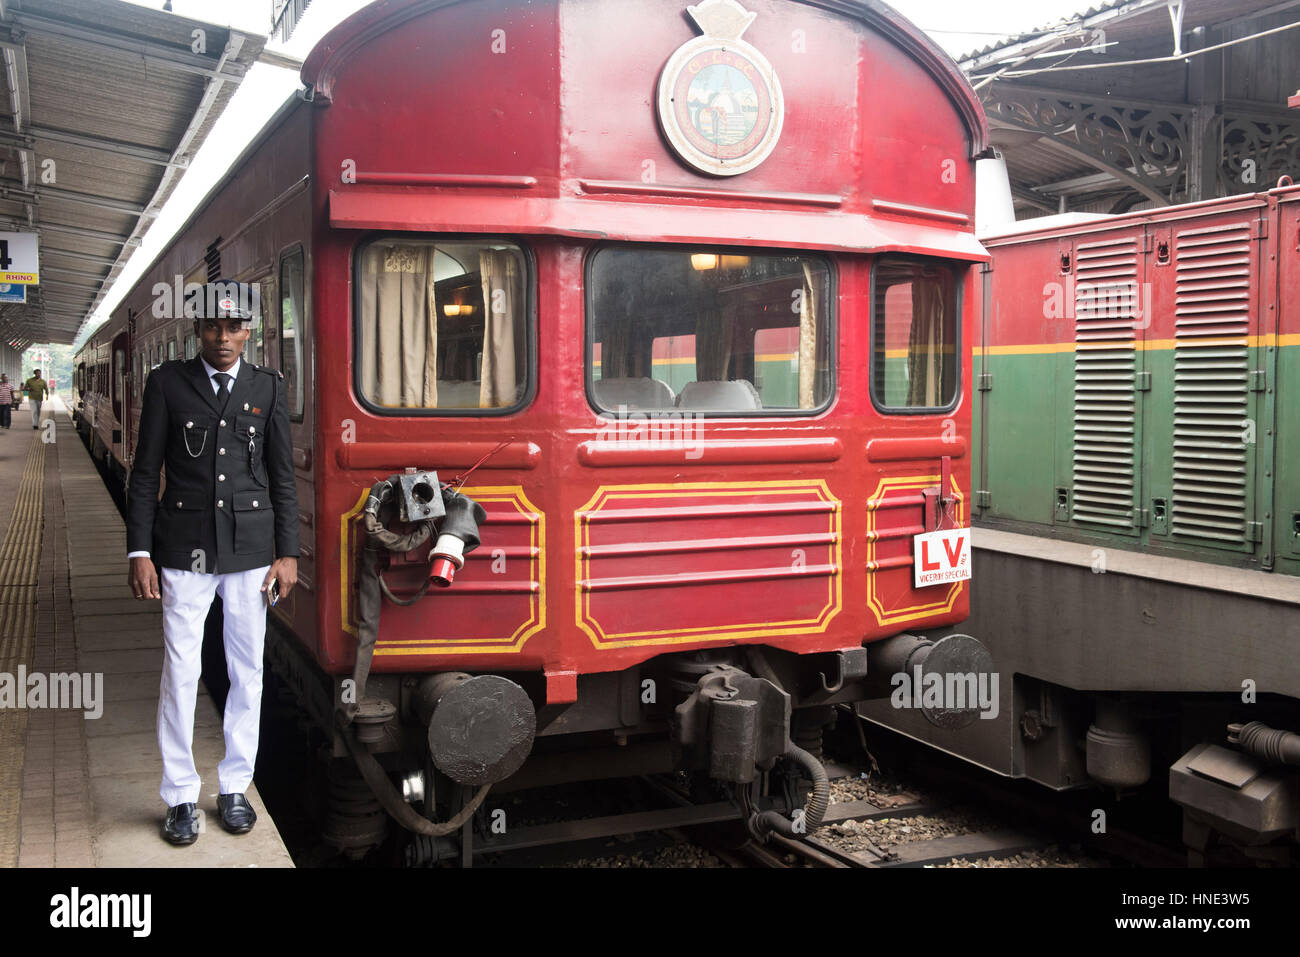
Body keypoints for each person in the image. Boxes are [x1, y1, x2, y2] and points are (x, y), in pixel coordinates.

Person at [125, 281, 298, 846]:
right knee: (180, 672)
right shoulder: (167, 384)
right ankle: (179, 794)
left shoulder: (266, 386)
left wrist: (288, 552)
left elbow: (281, 476)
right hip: (182, 549)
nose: (223, 338)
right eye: (212, 327)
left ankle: (233, 787)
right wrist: (140, 550)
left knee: (246, 671)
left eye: (234, 327)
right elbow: (146, 471)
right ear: (195, 330)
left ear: (250, 331)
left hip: (250, 553)